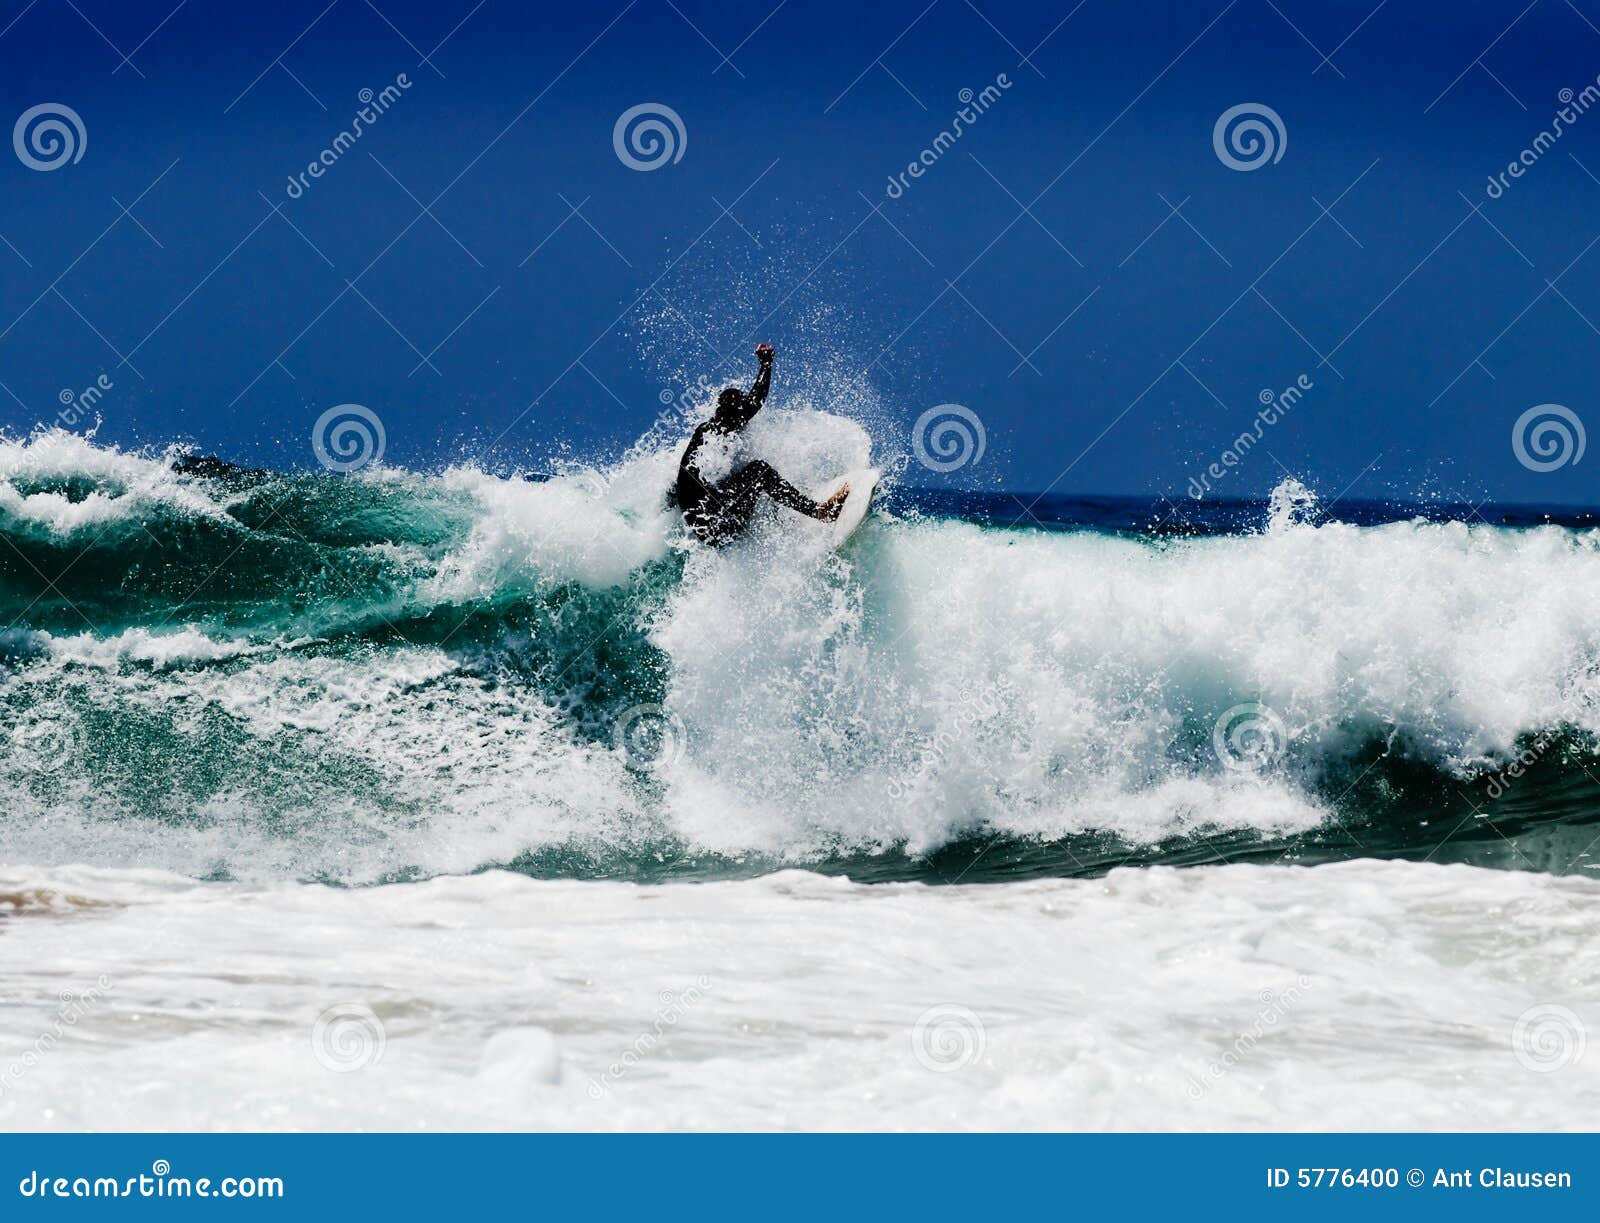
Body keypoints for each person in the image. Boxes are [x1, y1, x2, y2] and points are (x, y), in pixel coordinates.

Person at [675, 344, 848, 545]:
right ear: (731, 411)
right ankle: (820, 512)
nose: (745, 419)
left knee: (750, 481)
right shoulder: (713, 429)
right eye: (740, 407)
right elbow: (754, 403)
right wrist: (766, 365)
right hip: (715, 523)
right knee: (760, 471)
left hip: (710, 529)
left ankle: (789, 529)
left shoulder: (703, 449)